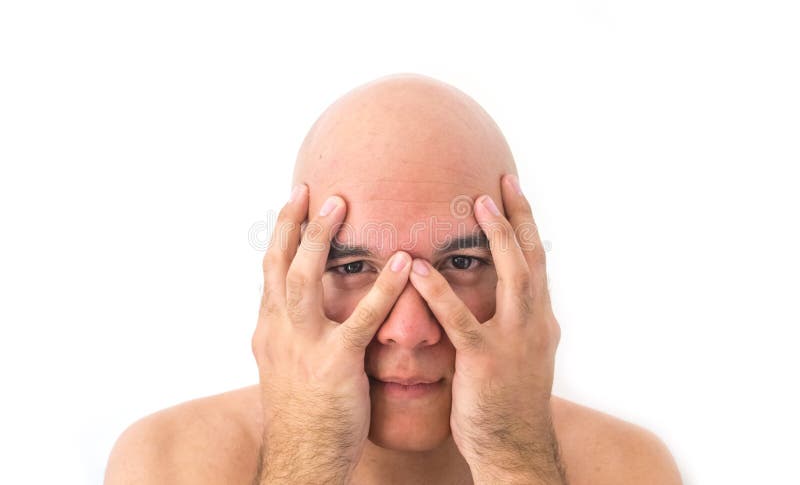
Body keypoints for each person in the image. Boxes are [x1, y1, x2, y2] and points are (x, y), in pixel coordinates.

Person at [104, 73, 682, 484]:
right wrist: (308, 455)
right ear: (289, 281)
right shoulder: (165, 463)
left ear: (522, 274)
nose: (408, 330)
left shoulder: (629, 467)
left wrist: (513, 459)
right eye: (353, 268)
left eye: (460, 264)